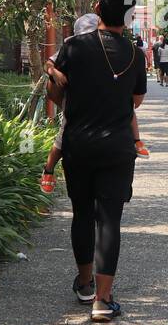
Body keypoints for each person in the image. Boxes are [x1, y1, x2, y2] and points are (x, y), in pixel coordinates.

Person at [46, 0, 146, 322]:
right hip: (117, 148)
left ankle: (85, 284)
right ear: (130, 17)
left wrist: (60, 82)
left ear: (98, 10)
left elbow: (56, 93)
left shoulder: (73, 47)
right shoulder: (136, 54)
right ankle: (102, 302)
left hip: (78, 146)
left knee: (82, 214)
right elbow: (135, 102)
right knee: (109, 221)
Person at [41, 13, 148, 193]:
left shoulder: (108, 49)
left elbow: (134, 101)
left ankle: (137, 140)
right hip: (76, 102)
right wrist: (54, 73)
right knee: (62, 135)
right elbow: (49, 64)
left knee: (128, 108)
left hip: (103, 103)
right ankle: (48, 169)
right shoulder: (72, 47)